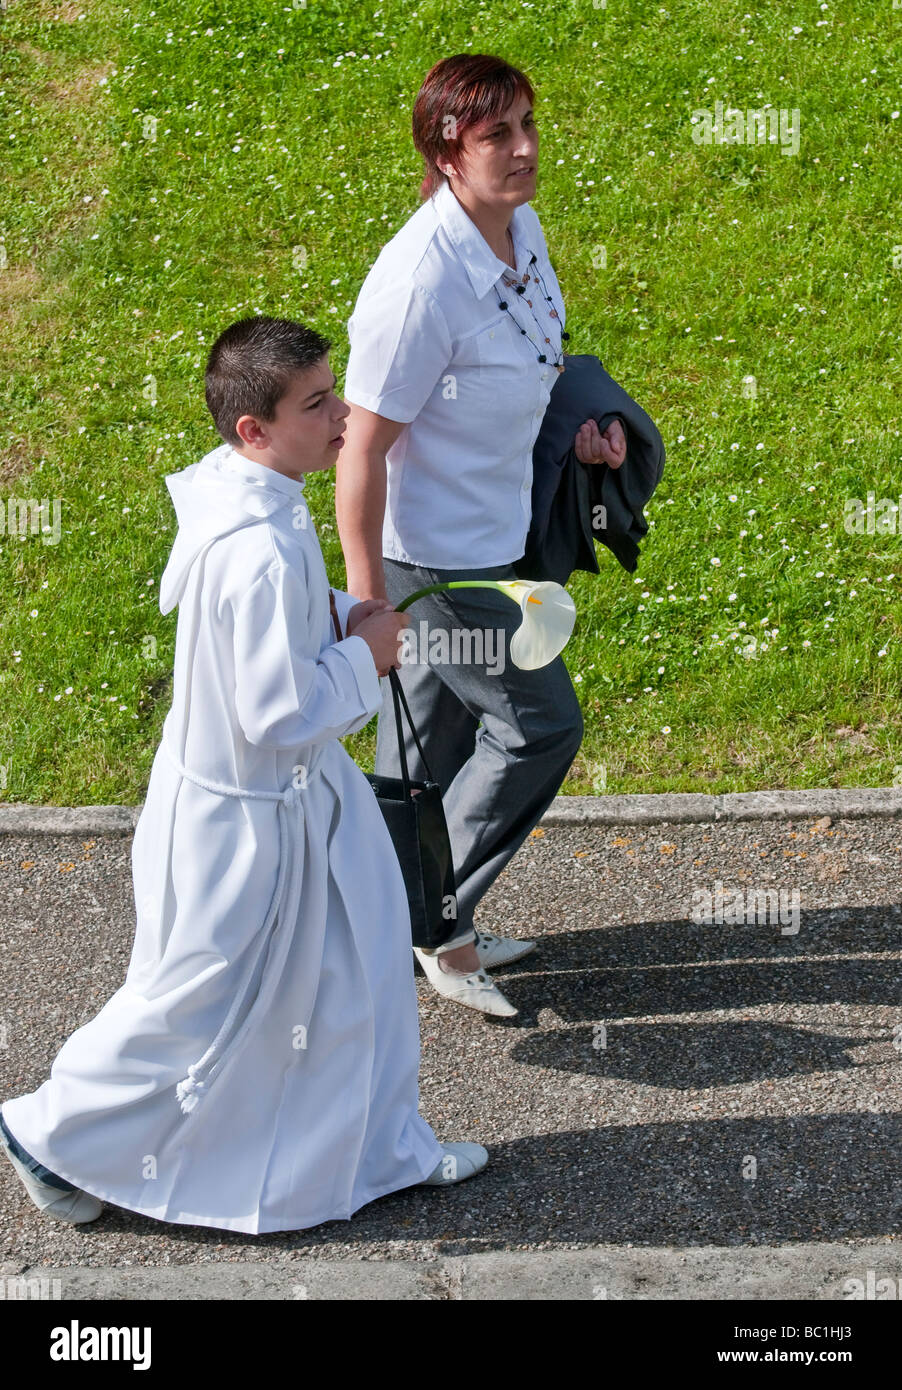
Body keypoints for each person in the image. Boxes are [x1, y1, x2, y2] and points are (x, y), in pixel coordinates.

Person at [0, 316, 487, 1231]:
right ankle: (41, 1132)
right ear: (252, 429)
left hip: (290, 806)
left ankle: (382, 1150)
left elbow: (273, 633)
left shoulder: (255, 493)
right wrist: (367, 656)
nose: (343, 415)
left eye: (334, 391)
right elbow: (273, 710)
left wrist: (340, 613)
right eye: (317, 404)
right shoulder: (255, 546)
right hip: (243, 825)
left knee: (355, 979)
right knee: (188, 1007)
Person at [336, 54, 626, 1017]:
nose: (526, 149)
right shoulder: (419, 285)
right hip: (438, 559)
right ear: (447, 153)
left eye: (529, 124)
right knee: (540, 724)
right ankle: (432, 917)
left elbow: (534, 360)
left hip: (495, 530)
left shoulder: (519, 230)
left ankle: (392, 929)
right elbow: (360, 450)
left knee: (425, 749)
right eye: (497, 134)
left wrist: (578, 433)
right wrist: (371, 600)